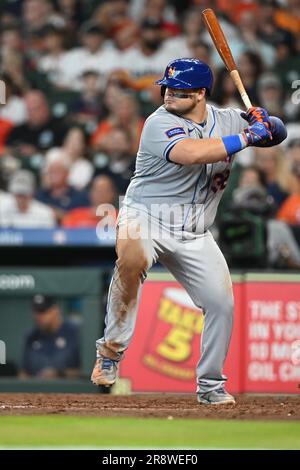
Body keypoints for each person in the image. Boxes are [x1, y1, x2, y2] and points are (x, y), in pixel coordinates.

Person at [91, 58, 287, 405]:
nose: (167, 94)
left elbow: (276, 132)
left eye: (177, 89)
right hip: (147, 217)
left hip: (195, 232)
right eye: (165, 88)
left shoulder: (226, 117)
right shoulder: (157, 122)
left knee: (221, 305)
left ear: (199, 94)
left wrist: (266, 122)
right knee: (132, 257)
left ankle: (211, 385)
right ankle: (110, 350)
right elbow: (190, 153)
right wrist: (246, 136)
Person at [20, 294, 80, 378]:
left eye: (43, 311)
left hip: (68, 389)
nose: (38, 316)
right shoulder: (31, 336)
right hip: (36, 389)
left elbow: (87, 372)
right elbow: (24, 373)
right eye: (36, 311)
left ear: (55, 310)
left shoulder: (75, 333)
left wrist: (59, 374)